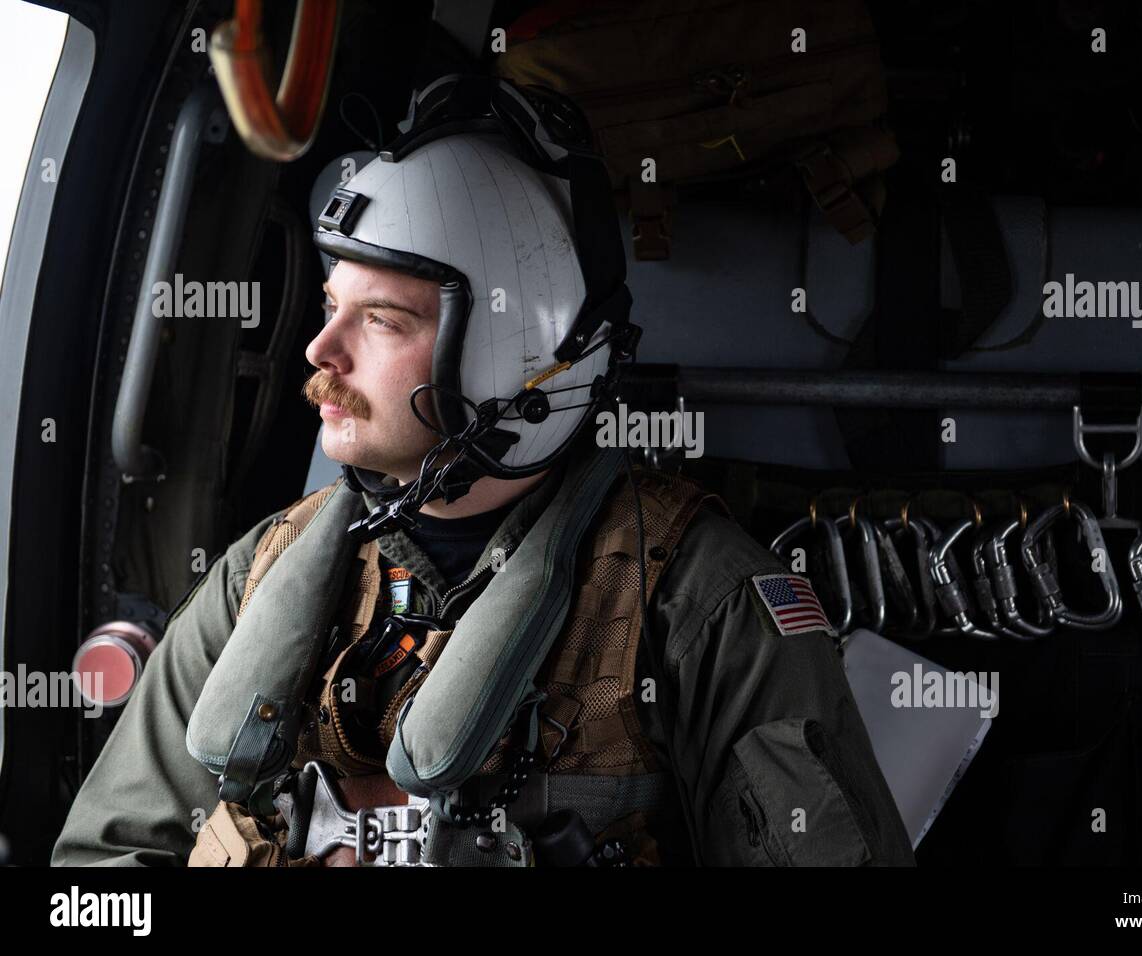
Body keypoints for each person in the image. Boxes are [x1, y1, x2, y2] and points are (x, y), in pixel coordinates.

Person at [52, 75, 913, 867]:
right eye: (330, 308)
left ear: (519, 355)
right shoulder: (257, 574)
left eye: (382, 320)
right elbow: (99, 879)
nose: (320, 350)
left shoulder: (703, 607)